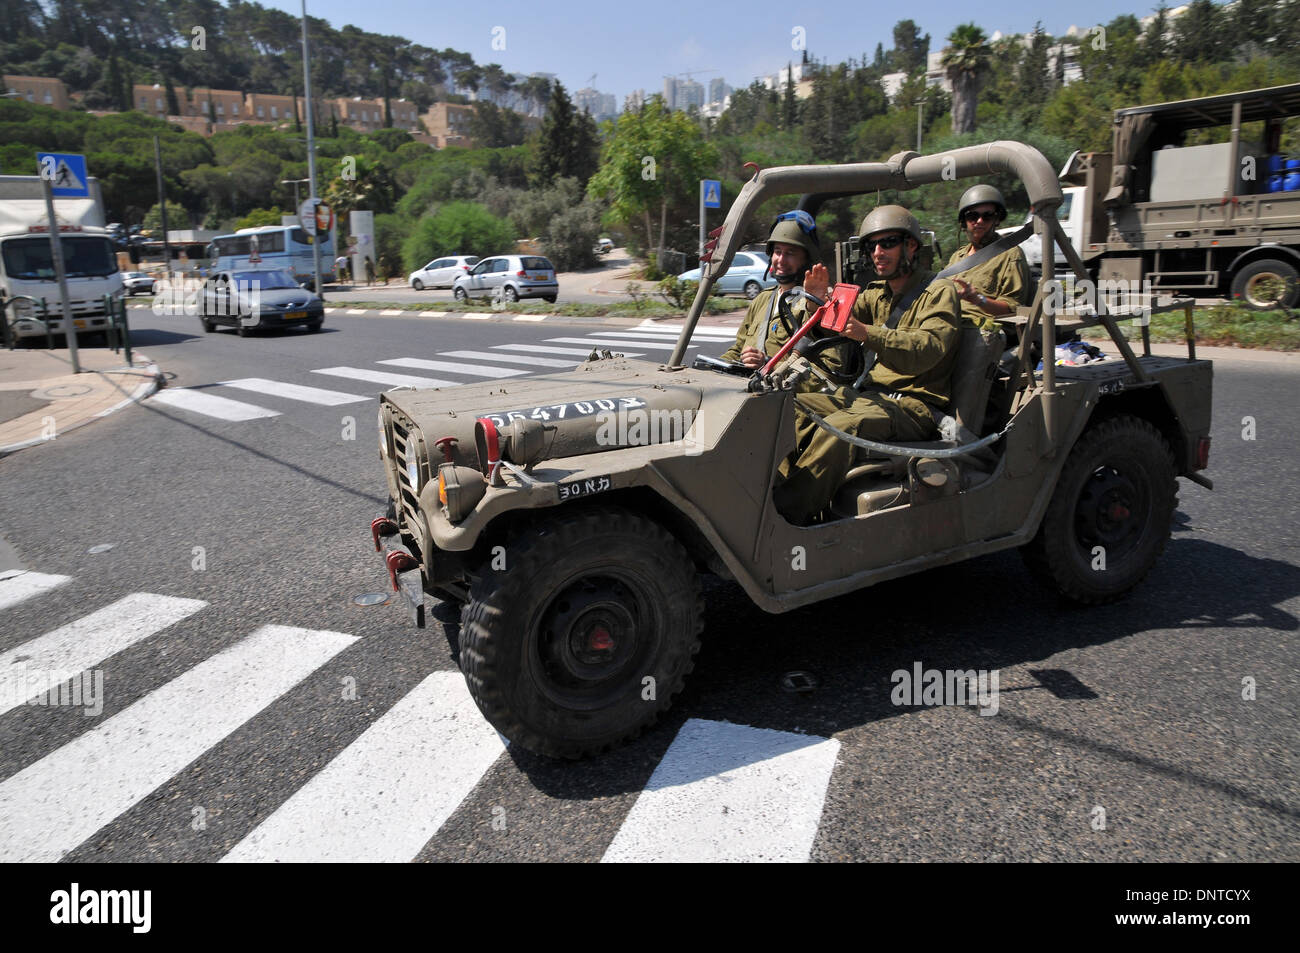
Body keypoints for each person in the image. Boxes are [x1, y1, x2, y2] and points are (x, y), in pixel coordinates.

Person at [772, 206, 960, 526]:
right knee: (789, 406)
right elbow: (833, 320)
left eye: (887, 243)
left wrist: (866, 332)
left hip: (915, 405)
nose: (877, 252)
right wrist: (816, 301)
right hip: (870, 397)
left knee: (844, 426)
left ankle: (788, 516)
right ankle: (779, 490)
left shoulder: (939, 292)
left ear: (911, 246)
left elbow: (928, 350)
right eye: (871, 245)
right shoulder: (876, 293)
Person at [717, 209, 846, 391]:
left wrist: (769, 365)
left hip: (785, 401)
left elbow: (829, 372)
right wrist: (716, 367)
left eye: (790, 253)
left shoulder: (819, 304)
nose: (781, 260)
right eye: (777, 252)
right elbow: (738, 349)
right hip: (748, 391)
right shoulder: (762, 299)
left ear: (806, 259)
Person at [947, 185, 1031, 329]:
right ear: (964, 221)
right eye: (972, 216)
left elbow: (1013, 309)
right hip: (947, 320)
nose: (979, 221)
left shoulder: (1009, 254)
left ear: (996, 220)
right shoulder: (957, 257)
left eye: (987, 216)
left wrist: (978, 299)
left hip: (977, 329)